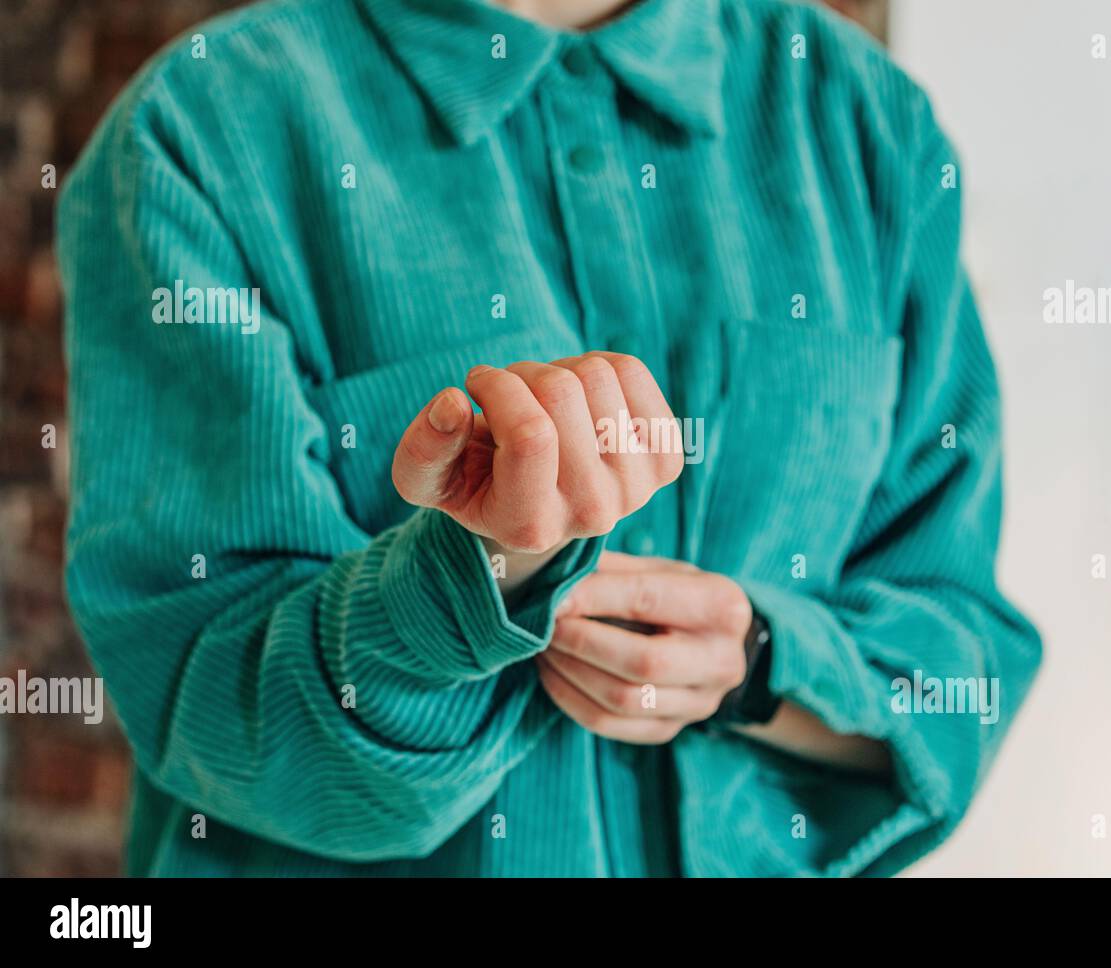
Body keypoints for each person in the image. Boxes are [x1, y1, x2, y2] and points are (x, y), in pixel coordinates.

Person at [57, 0, 1042, 876]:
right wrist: (473, 580)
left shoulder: (865, 120)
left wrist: (763, 661)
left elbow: (961, 651)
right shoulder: (200, 130)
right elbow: (210, 705)